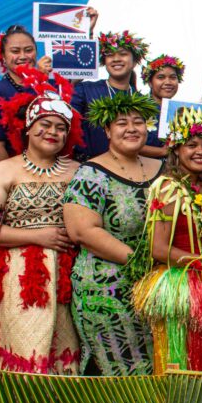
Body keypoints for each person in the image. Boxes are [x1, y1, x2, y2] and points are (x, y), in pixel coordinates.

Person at [0, 72, 82, 374]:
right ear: (28, 129)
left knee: (64, 355)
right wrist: (37, 236)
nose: (52, 132)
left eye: (60, 128)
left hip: (68, 275)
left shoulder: (79, 171)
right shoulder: (4, 170)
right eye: (44, 125)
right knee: (22, 353)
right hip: (15, 274)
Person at [132, 108, 202, 374]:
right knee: (181, 359)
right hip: (180, 285)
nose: (200, 151)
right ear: (176, 150)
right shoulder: (167, 188)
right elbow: (158, 249)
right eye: (191, 145)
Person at [65, 91, 164, 376]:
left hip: (160, 290)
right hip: (108, 291)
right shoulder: (91, 173)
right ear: (107, 130)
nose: (131, 128)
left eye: (138, 122)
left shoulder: (164, 169)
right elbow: (82, 231)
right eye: (121, 123)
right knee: (121, 376)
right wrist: (143, 265)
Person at [72, 30, 149, 160]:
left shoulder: (143, 101)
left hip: (129, 170)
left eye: (123, 54)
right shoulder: (85, 90)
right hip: (89, 168)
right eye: (110, 55)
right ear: (103, 61)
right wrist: (87, 31)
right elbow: (66, 119)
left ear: (135, 61)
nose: (116, 59)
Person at [0, 25, 55, 163]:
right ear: (3, 57)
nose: (23, 56)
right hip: (14, 168)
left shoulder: (51, 86)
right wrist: (12, 178)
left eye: (28, 50)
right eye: (15, 51)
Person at [140, 54, 184, 158]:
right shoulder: (138, 109)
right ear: (150, 82)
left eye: (173, 77)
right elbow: (126, 144)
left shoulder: (182, 112)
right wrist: (163, 151)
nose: (168, 82)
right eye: (161, 77)